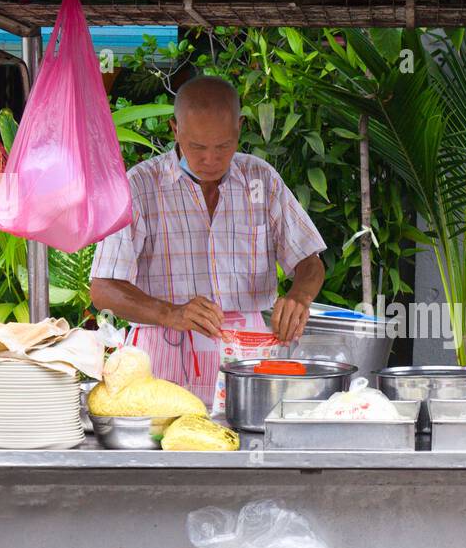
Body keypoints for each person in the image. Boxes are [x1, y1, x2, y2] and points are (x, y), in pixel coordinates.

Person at [90, 75, 327, 403]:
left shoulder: (261, 180)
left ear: (240, 128)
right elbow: (103, 288)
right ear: (175, 129)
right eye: (198, 147)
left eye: (223, 146)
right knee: (167, 444)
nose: (211, 160)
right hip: (162, 354)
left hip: (248, 355)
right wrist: (172, 313)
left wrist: (299, 296)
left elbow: (310, 261)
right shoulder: (141, 186)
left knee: (248, 441)